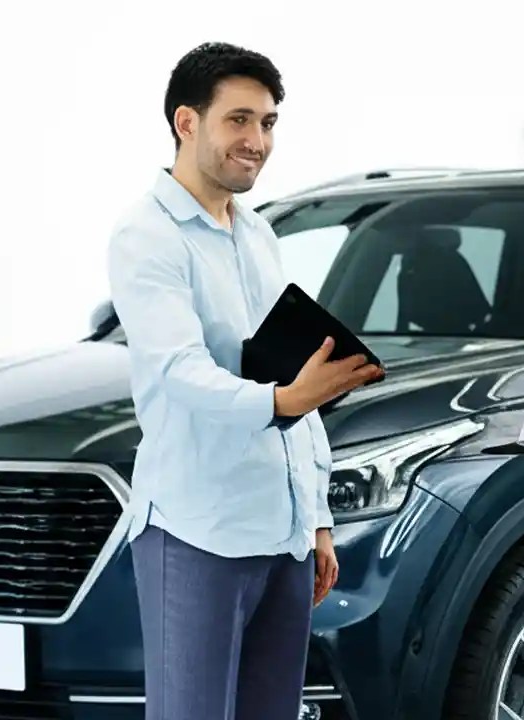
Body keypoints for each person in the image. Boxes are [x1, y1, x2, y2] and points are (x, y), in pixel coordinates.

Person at [106, 42, 383, 720]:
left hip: (281, 533)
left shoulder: (256, 233)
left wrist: (316, 517)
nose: (256, 141)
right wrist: (286, 401)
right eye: (239, 120)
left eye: (267, 123)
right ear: (187, 122)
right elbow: (180, 373)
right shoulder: (147, 236)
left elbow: (291, 367)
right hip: (198, 529)